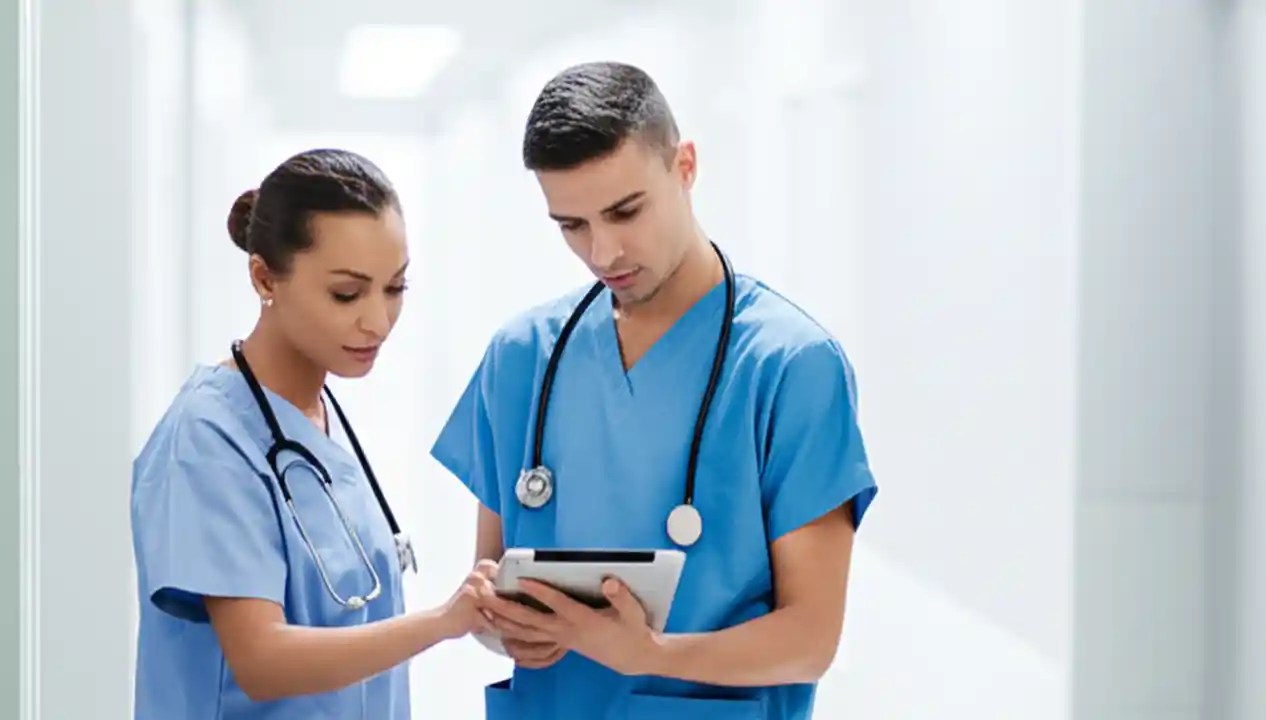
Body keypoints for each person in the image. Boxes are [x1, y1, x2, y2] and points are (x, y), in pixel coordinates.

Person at [430, 62, 879, 720]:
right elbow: (492, 588)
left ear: (685, 166)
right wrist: (501, 626)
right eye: (571, 225)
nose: (603, 251)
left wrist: (650, 653)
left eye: (626, 211)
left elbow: (810, 639)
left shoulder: (790, 366)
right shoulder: (522, 358)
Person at [130, 148, 496, 719]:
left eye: (394, 288)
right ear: (263, 276)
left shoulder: (317, 417)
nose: (377, 321)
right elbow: (261, 657)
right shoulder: (206, 439)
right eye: (347, 294)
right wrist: (441, 624)